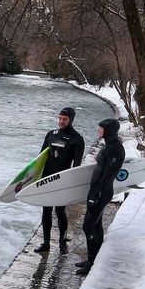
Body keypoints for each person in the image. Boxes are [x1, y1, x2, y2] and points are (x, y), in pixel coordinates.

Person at [76, 118, 125, 276]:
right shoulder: (109, 146)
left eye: (101, 128)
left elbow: (107, 176)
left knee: (88, 226)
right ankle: (93, 259)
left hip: (101, 192)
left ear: (108, 130)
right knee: (95, 226)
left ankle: (91, 263)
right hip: (97, 191)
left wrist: (95, 195)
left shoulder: (115, 149)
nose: (98, 131)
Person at [34, 107, 84, 255]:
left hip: (62, 179)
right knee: (46, 210)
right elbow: (40, 158)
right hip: (47, 178)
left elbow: (77, 165)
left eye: (65, 119)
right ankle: (46, 243)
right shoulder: (51, 134)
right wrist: (33, 178)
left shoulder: (77, 139)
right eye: (60, 118)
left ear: (71, 120)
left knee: (60, 210)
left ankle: (63, 244)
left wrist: (71, 184)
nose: (61, 121)